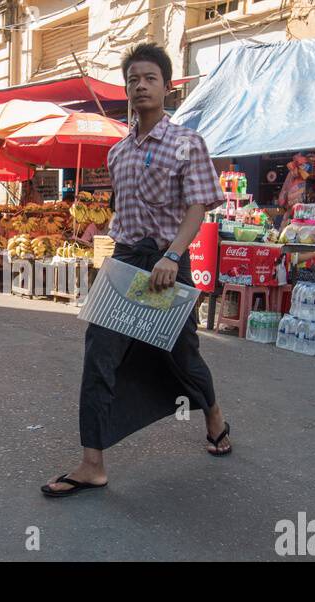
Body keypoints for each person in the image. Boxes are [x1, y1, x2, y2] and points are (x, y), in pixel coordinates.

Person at [42, 43, 229, 498]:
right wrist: (98, 236)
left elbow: (197, 206)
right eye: (133, 80)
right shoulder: (118, 153)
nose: (140, 86)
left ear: (167, 86)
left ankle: (214, 418)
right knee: (98, 355)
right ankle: (93, 464)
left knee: (182, 357)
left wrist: (172, 255)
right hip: (125, 264)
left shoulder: (188, 143)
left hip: (166, 265)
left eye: (149, 78)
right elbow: (123, 212)